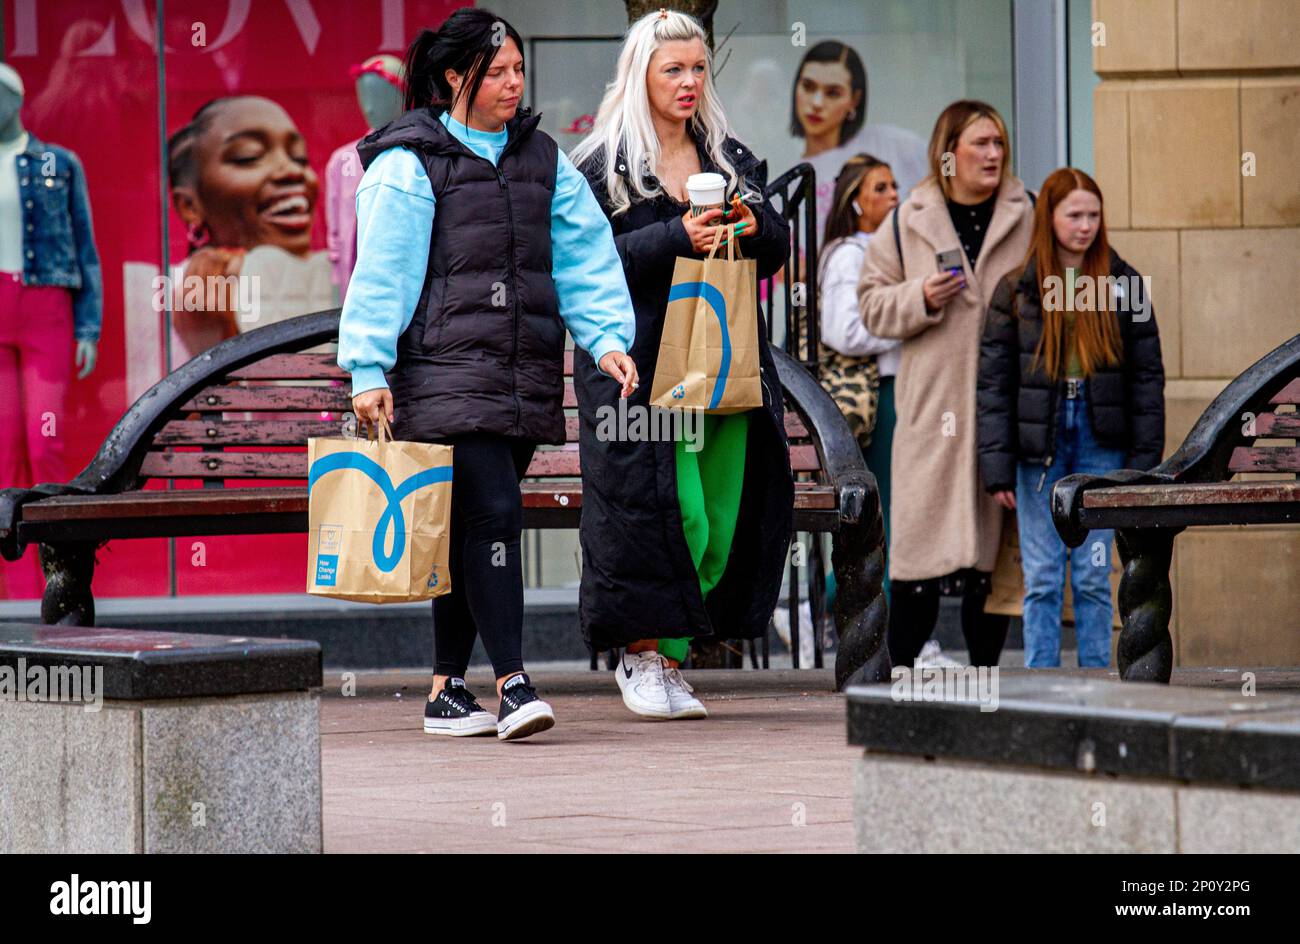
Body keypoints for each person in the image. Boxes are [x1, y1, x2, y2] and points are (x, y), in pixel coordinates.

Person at [338, 9, 638, 740]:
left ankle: (445, 689)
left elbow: (585, 255)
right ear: (453, 77)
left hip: (520, 377)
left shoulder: (542, 158)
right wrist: (368, 366)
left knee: (473, 528)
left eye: (518, 70)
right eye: (496, 71)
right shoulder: (413, 160)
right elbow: (382, 272)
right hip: (440, 377)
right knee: (497, 516)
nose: (512, 84)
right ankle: (513, 681)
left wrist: (606, 340)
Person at [570, 9, 792, 719]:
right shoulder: (600, 167)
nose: (690, 81)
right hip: (637, 367)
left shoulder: (728, 155)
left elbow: (777, 243)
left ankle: (669, 659)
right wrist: (676, 237)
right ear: (641, 74)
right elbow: (584, 268)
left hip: (722, 357)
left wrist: (756, 226)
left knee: (720, 518)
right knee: (669, 515)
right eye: (674, 69)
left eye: (698, 68)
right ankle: (640, 658)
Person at [858, 99, 1034, 669]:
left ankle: (984, 682)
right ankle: (899, 679)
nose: (992, 154)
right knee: (916, 561)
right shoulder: (908, 217)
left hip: (1001, 411)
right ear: (948, 153)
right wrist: (921, 298)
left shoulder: (1027, 211)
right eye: (980, 144)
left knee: (990, 567)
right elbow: (870, 305)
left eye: (999, 144)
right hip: (932, 412)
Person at [977, 168, 1164, 668]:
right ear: (1050, 218)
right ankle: (1042, 685)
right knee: (1041, 576)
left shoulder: (1125, 285)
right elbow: (994, 386)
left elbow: (1148, 380)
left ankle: (1097, 679)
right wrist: (996, 468)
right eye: (1074, 215)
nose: (1085, 225)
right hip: (1039, 444)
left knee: (1092, 574)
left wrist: (1144, 463)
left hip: (1103, 439)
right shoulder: (1016, 289)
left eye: (1094, 215)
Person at [815, 154, 900, 604]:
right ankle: (826, 603)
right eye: (880, 189)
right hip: (878, 394)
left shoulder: (885, 249)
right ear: (856, 202)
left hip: (896, 389)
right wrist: (906, 320)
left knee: (887, 513)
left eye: (894, 186)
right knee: (881, 513)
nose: (894, 196)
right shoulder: (851, 253)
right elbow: (840, 330)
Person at [788, 40, 928, 243]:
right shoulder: (791, 176)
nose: (816, 103)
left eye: (833, 92)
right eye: (808, 87)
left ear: (854, 99)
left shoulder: (893, 143)